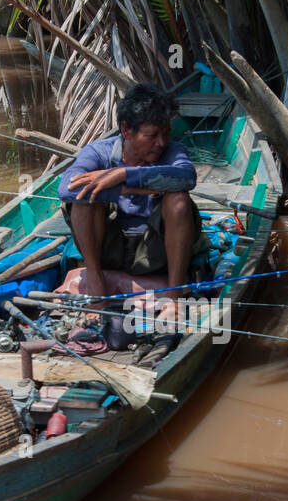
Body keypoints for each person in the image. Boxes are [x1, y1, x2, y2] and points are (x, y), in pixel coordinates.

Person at [58, 83, 210, 323]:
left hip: (154, 252)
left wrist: (124, 176)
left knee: (179, 199)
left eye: (166, 134)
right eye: (152, 136)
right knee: (83, 198)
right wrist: (128, 186)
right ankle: (96, 284)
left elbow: (187, 177)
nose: (161, 142)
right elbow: (66, 188)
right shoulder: (97, 153)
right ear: (127, 130)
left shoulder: (172, 151)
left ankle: (173, 298)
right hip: (109, 249)